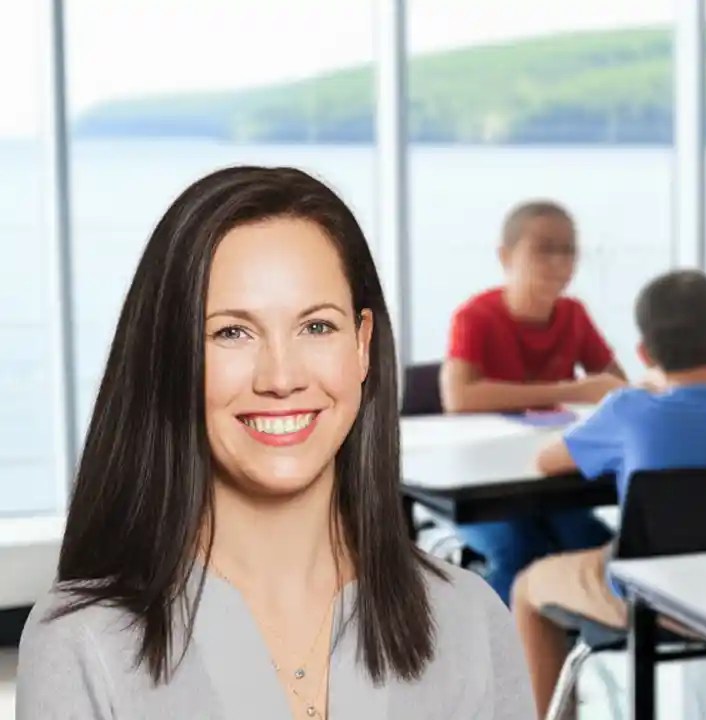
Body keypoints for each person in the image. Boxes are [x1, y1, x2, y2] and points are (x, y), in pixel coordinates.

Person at [16, 167, 533, 719]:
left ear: (362, 344)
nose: (281, 378)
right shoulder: (82, 641)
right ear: (172, 355)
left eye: (316, 327)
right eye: (232, 332)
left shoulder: (468, 618)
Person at [510, 269, 706, 716]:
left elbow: (547, 462)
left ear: (643, 352)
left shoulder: (629, 412)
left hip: (648, 596)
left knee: (526, 587)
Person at [441, 200, 624, 604]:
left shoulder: (574, 314)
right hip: (482, 485)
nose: (559, 262)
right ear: (506, 256)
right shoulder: (475, 316)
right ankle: (483, 662)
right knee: (517, 549)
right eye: (544, 249)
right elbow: (459, 397)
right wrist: (569, 390)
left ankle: (555, 656)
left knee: (597, 544)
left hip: (551, 479)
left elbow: (616, 388)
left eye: (568, 250)